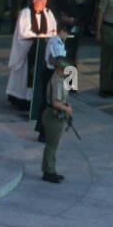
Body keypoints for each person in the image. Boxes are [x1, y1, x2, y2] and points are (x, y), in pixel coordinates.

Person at [6, 0, 57, 112]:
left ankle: (35, 99)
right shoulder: (25, 13)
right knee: (26, 74)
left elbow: (53, 30)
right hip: (28, 49)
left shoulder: (48, 13)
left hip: (42, 50)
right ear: (34, 0)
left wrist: (45, 36)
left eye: (45, 2)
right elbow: (23, 32)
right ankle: (21, 99)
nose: (44, 5)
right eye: (42, 2)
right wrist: (38, 36)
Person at [41, 55, 73, 183]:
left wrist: (66, 105)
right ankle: (48, 171)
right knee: (51, 145)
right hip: (53, 115)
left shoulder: (60, 79)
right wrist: (67, 110)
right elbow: (55, 102)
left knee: (53, 144)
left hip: (56, 115)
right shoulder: (57, 81)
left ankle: (50, 169)